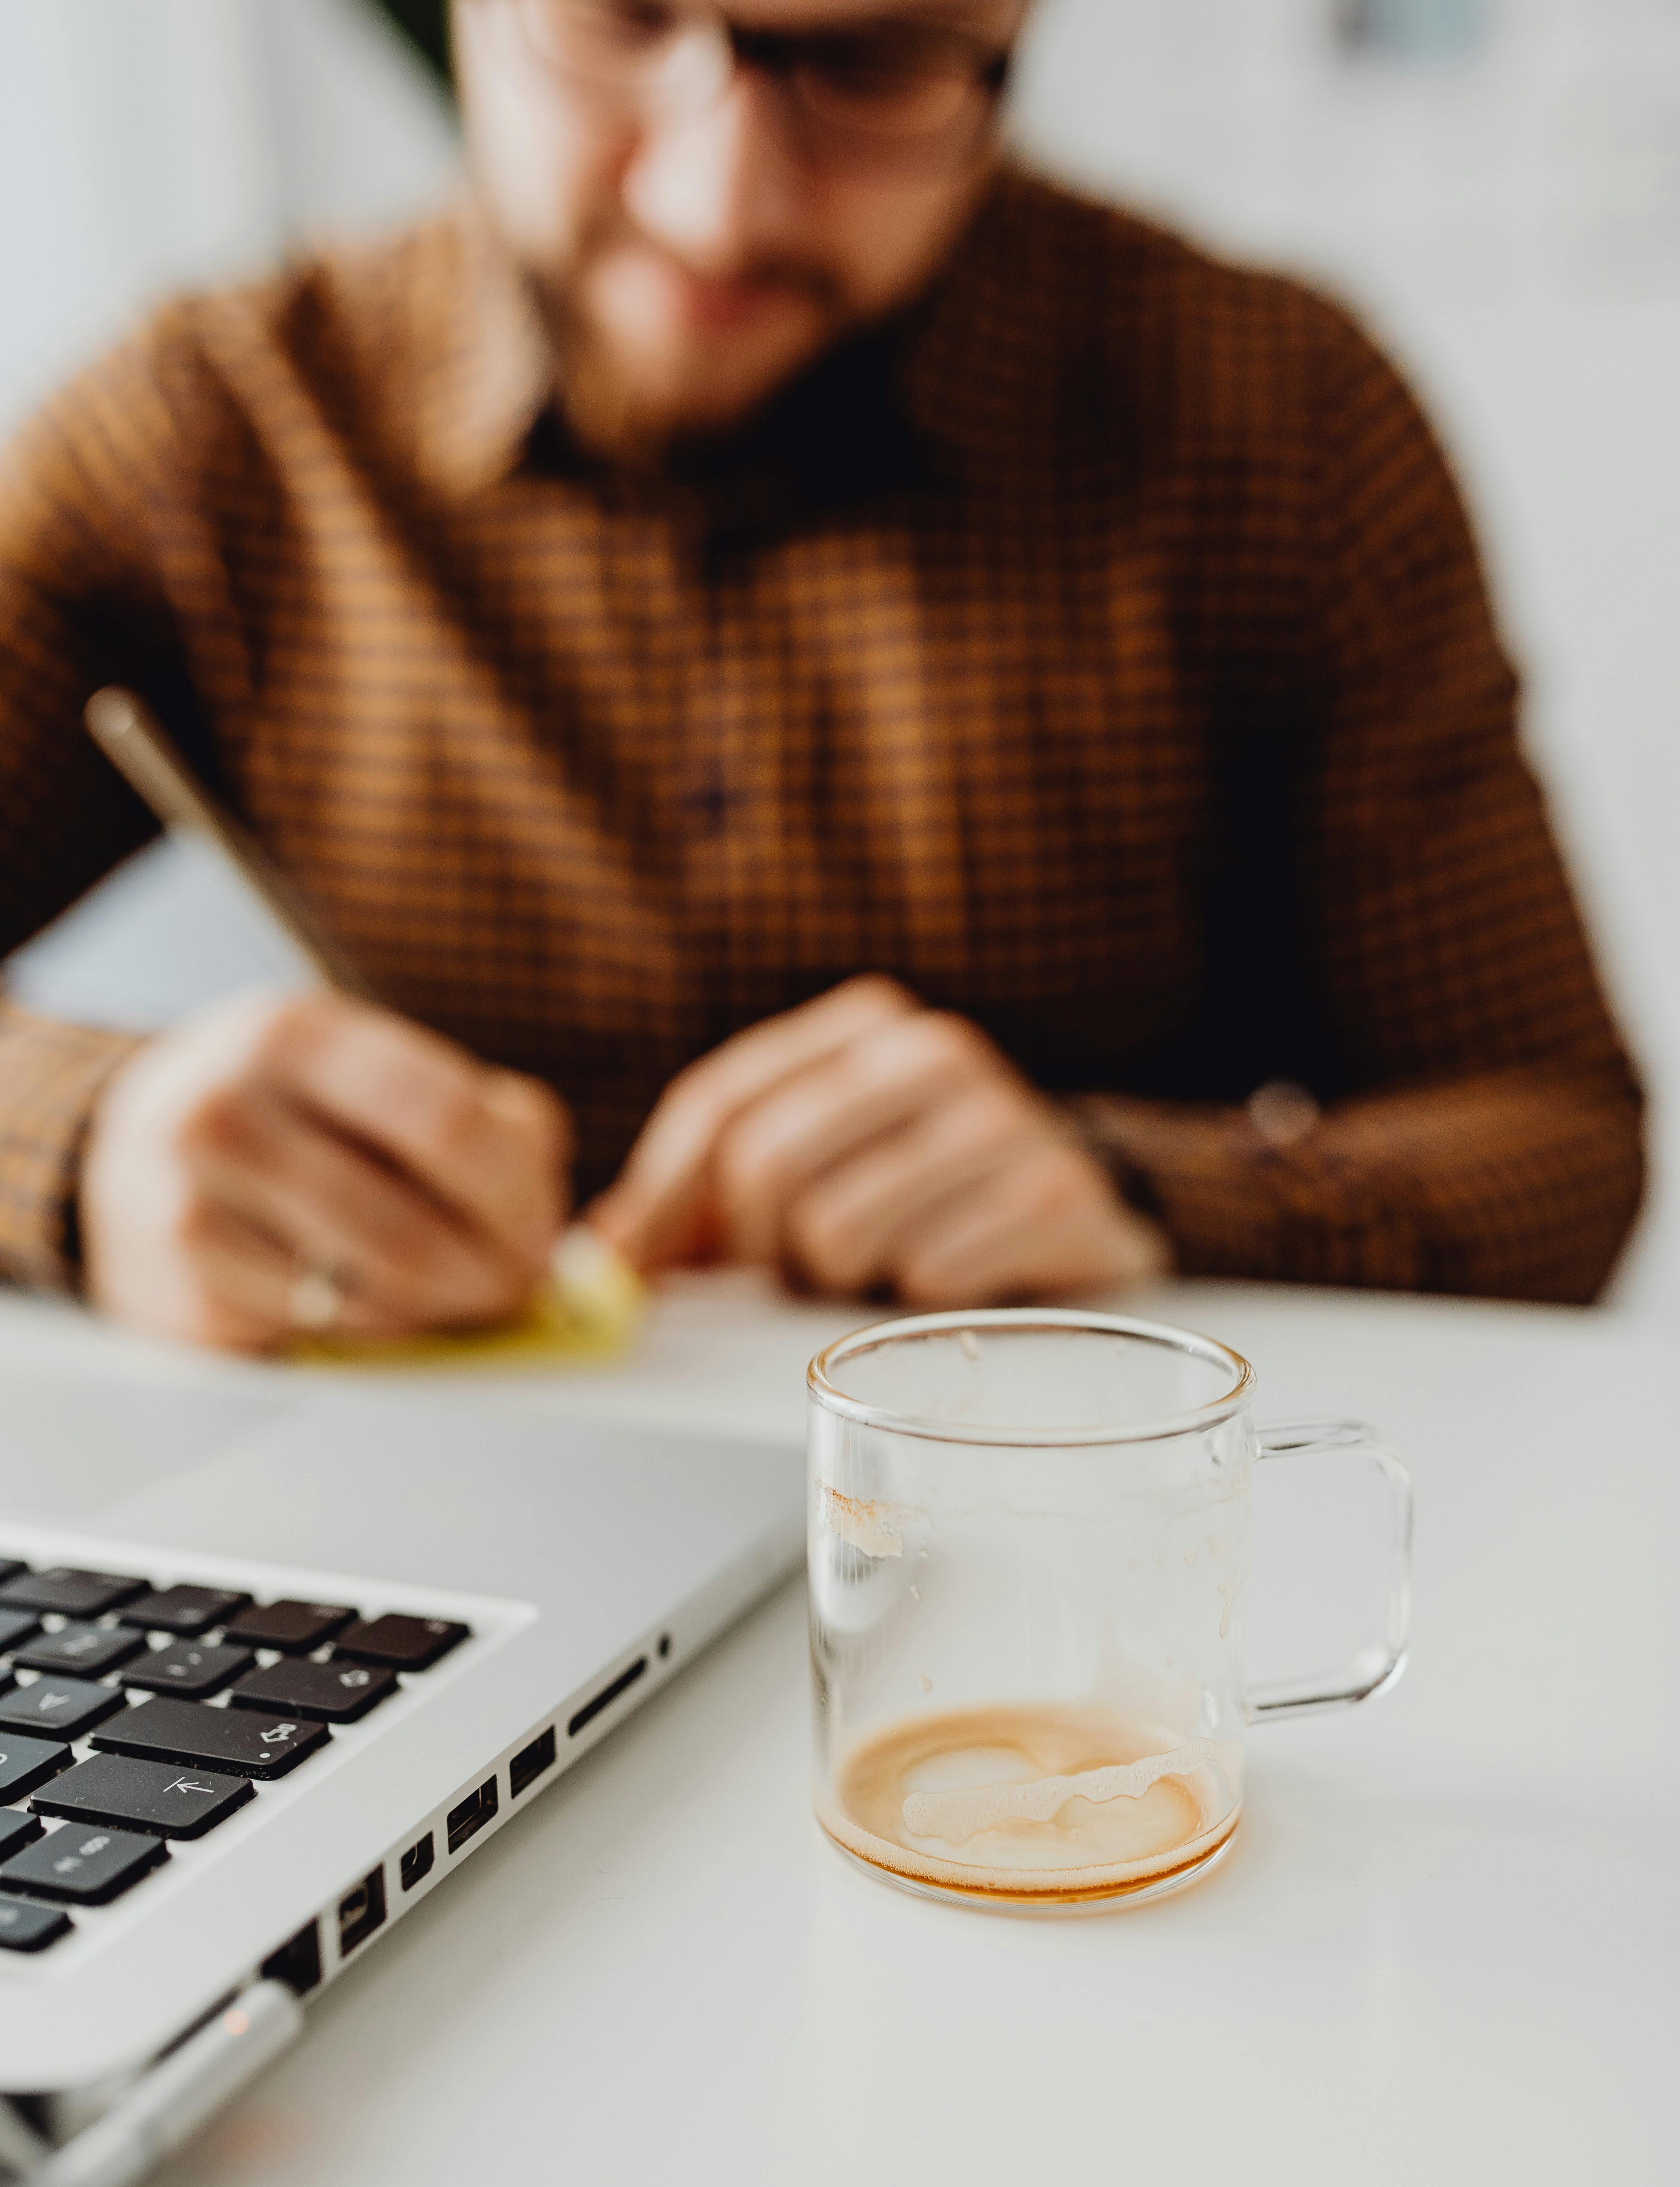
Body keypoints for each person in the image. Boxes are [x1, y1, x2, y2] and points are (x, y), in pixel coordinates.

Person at [0, 0, 1644, 1351]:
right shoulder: (210, 436)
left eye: (875, 61)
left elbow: (1562, 1137)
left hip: (1079, 1541)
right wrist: (86, 1149)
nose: (718, 200)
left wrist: (1135, 1192)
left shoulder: (1274, 425)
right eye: (623, 18)